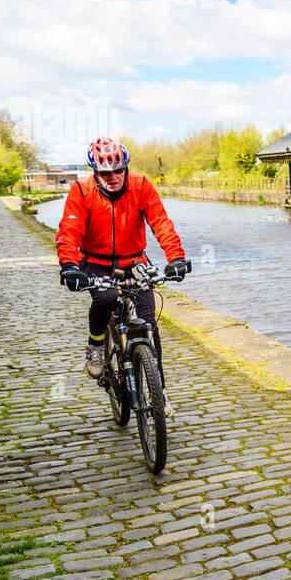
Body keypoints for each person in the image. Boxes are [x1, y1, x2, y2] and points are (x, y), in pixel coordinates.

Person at [55, 137, 188, 415]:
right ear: (95, 173)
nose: (113, 177)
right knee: (105, 298)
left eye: (118, 170)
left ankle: (159, 391)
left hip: (134, 259)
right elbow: (69, 229)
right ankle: (95, 345)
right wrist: (69, 265)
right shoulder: (82, 190)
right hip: (95, 261)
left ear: (126, 167)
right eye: (105, 173)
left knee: (149, 323)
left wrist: (175, 257)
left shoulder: (141, 185)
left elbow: (160, 222)